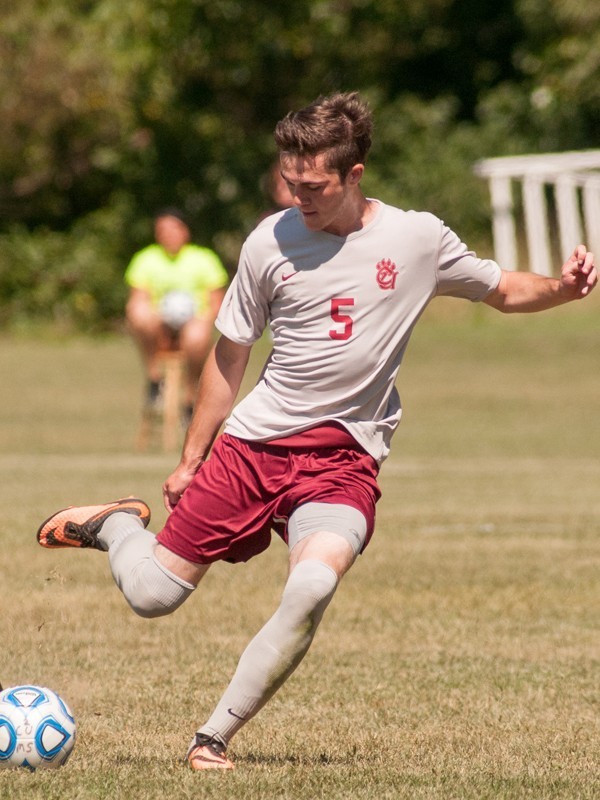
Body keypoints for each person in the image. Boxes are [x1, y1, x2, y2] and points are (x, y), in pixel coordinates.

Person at [36, 92, 597, 771]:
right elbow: (230, 353)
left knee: (313, 586)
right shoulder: (269, 243)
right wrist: (191, 456)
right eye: (290, 181)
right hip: (253, 450)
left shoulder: (416, 238)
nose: (298, 196)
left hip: (343, 459)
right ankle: (117, 525)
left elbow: (503, 288)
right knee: (153, 597)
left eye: (314, 185)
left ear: (354, 175)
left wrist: (566, 287)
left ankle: (212, 738)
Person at [125, 208, 228, 421]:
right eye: (162, 230)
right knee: (138, 312)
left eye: (173, 229)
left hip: (193, 325)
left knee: (197, 334)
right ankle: (155, 379)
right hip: (159, 326)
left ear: (185, 231)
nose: (168, 234)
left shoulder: (204, 258)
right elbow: (137, 298)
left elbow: (216, 303)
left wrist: (202, 318)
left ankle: (190, 397)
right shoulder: (145, 259)